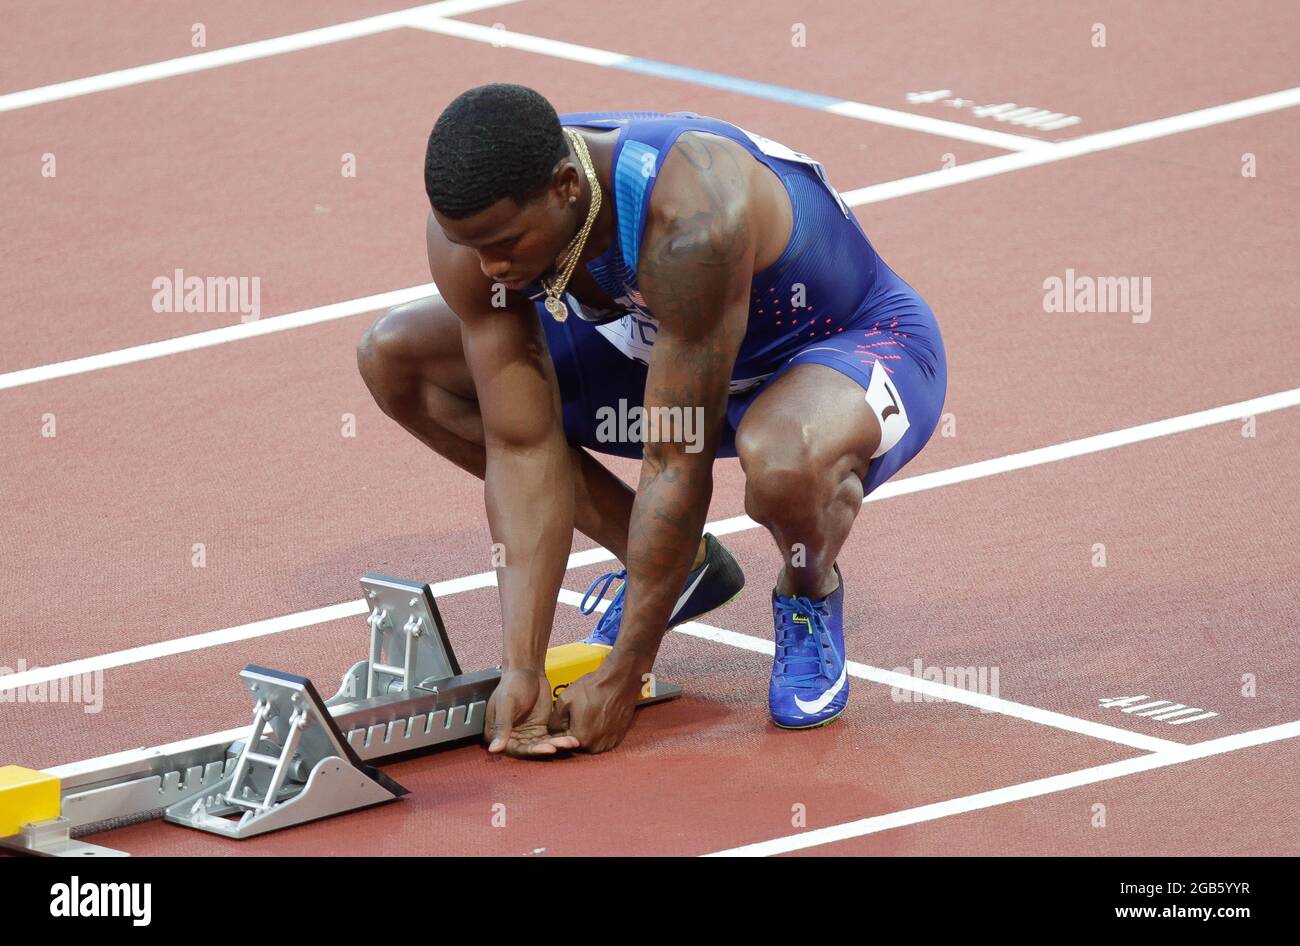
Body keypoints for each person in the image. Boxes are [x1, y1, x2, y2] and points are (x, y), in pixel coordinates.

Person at [357, 83, 946, 757]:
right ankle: (679, 570)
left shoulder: (691, 214)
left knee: (784, 462)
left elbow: (674, 458)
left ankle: (807, 591)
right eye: (472, 246)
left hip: (842, 352)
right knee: (397, 359)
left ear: (567, 187)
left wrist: (625, 670)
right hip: (662, 349)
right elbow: (522, 447)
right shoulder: (475, 239)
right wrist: (522, 663)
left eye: (506, 244)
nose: (491, 268)